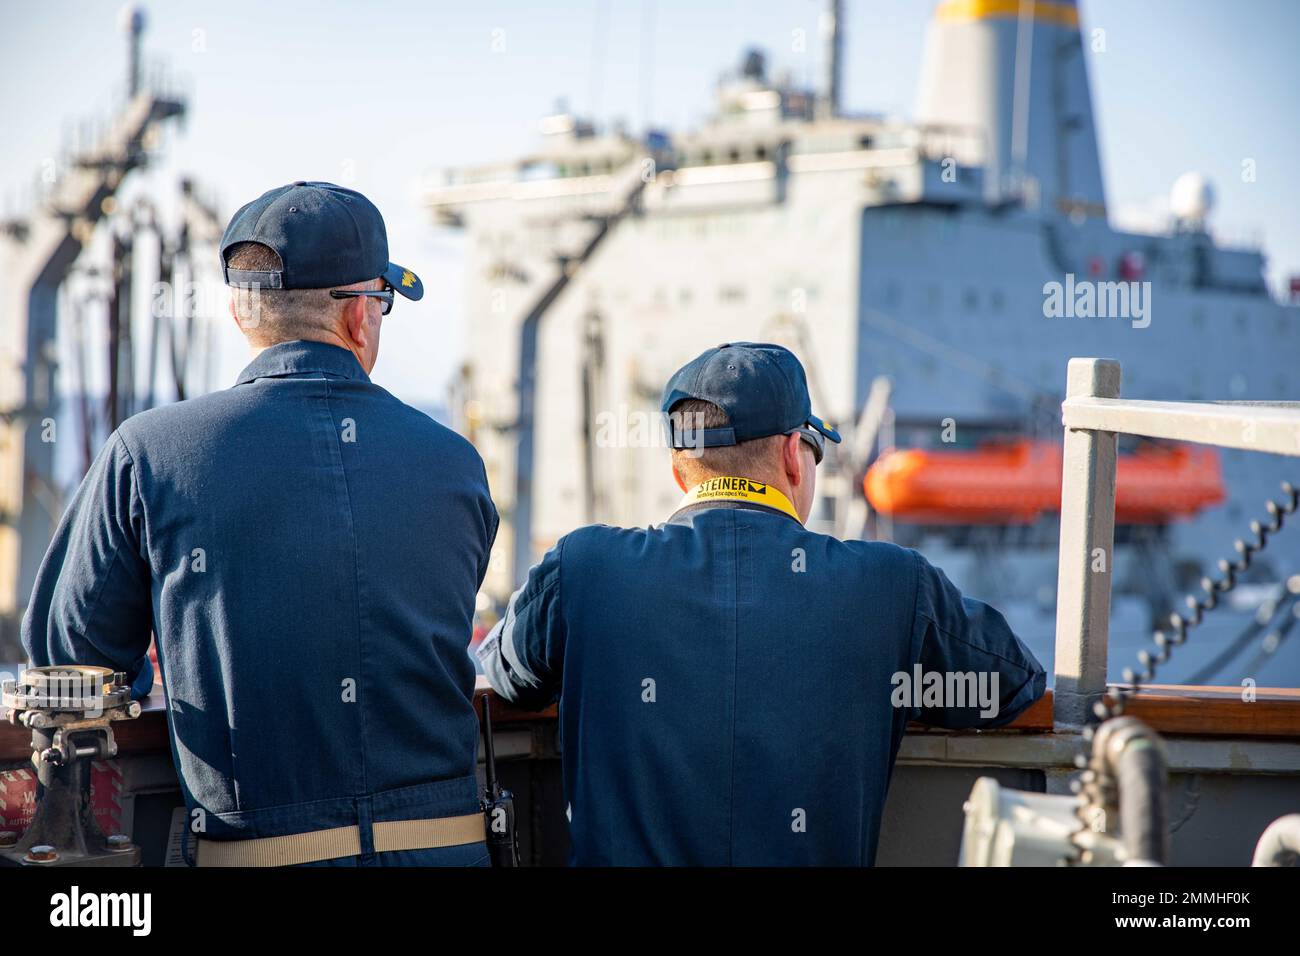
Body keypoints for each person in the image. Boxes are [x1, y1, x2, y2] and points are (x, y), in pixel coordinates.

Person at [23, 181, 498, 866]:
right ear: (362, 315)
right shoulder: (453, 463)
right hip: (449, 848)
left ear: (241, 311)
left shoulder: (151, 450)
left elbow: (72, 661)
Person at [478, 341, 1046, 865]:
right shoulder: (892, 584)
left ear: (681, 471)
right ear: (794, 456)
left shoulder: (586, 566)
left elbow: (507, 676)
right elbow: (1013, 681)